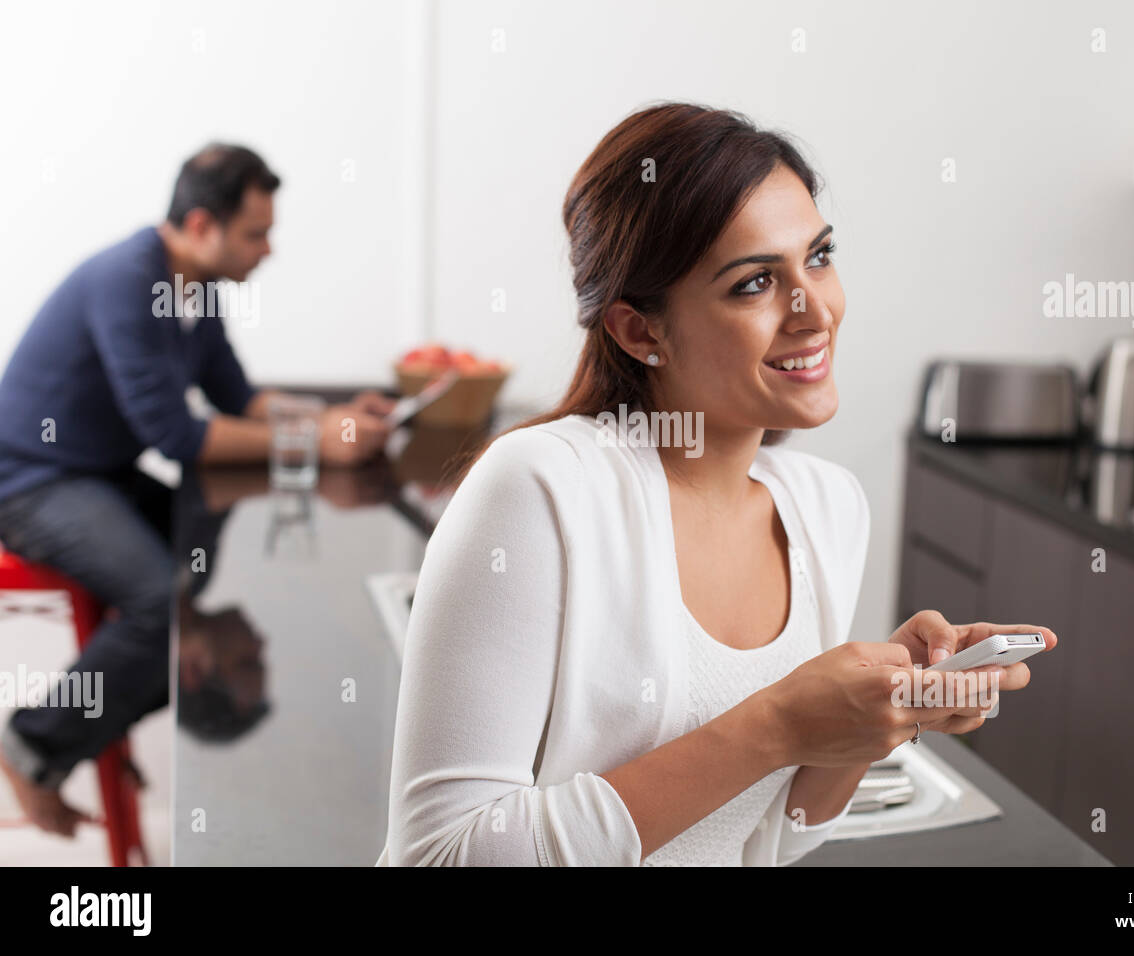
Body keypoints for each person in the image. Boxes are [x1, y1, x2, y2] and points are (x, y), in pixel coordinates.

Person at [378, 102, 1059, 867]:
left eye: (820, 257)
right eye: (754, 283)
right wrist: (776, 726)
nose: (814, 312)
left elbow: (762, 841)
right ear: (642, 331)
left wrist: (879, 716)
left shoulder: (826, 508)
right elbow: (440, 857)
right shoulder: (542, 489)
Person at [0, 143, 394, 836]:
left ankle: (102, 720)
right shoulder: (130, 280)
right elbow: (178, 436)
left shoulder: (195, 286)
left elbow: (236, 395)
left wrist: (333, 420)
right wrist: (315, 439)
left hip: (95, 473)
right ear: (205, 225)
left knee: (197, 574)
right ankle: (32, 744)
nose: (268, 250)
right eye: (257, 233)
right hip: (31, 479)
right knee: (164, 603)